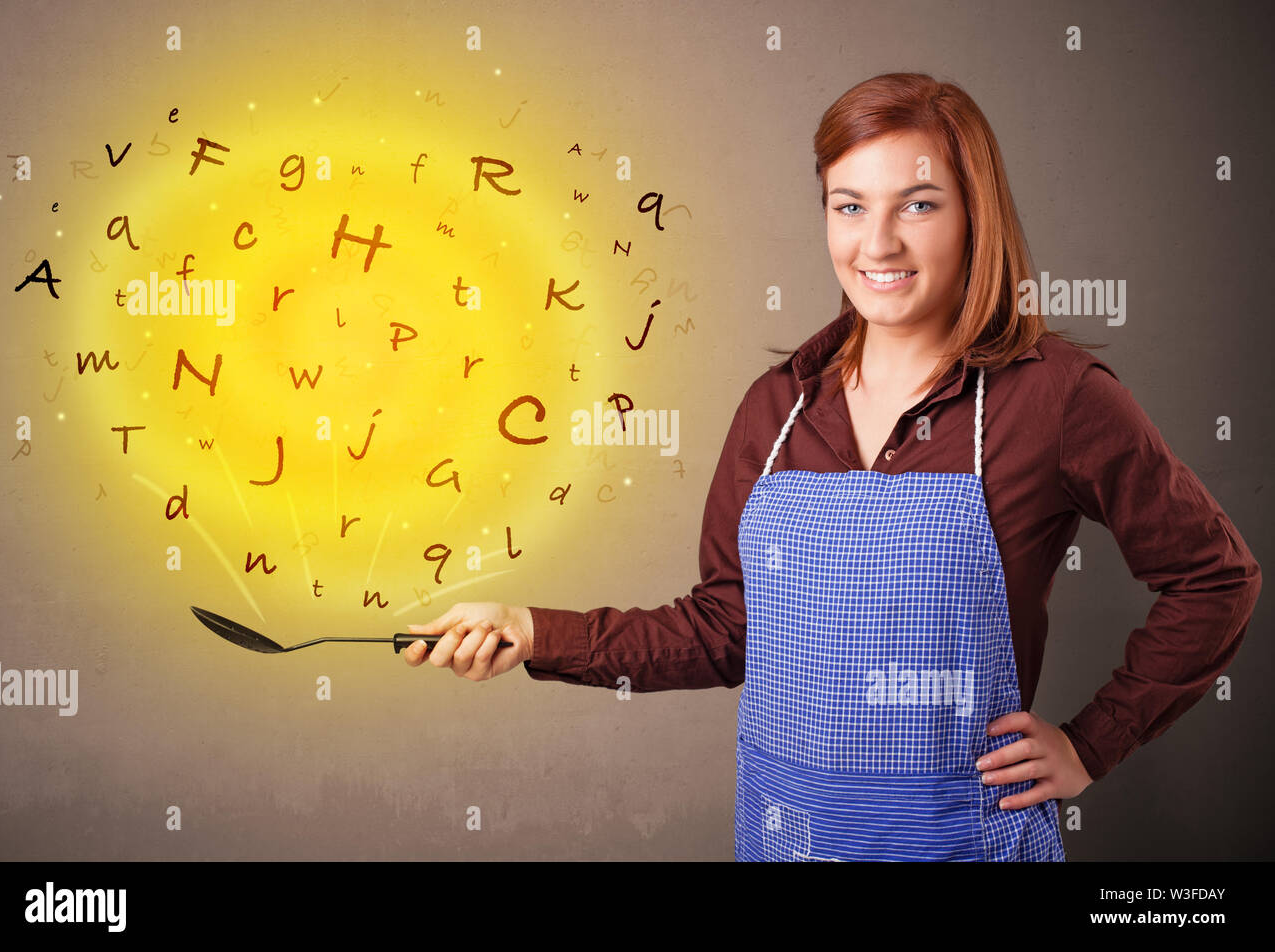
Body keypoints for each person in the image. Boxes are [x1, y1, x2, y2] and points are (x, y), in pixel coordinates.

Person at [400, 72, 1262, 861]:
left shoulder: (1056, 398)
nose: (876, 243)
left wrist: (1091, 742)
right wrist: (532, 629)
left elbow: (1215, 577)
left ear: (975, 216)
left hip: (963, 843)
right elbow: (724, 629)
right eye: (848, 207)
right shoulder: (778, 409)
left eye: (917, 205)